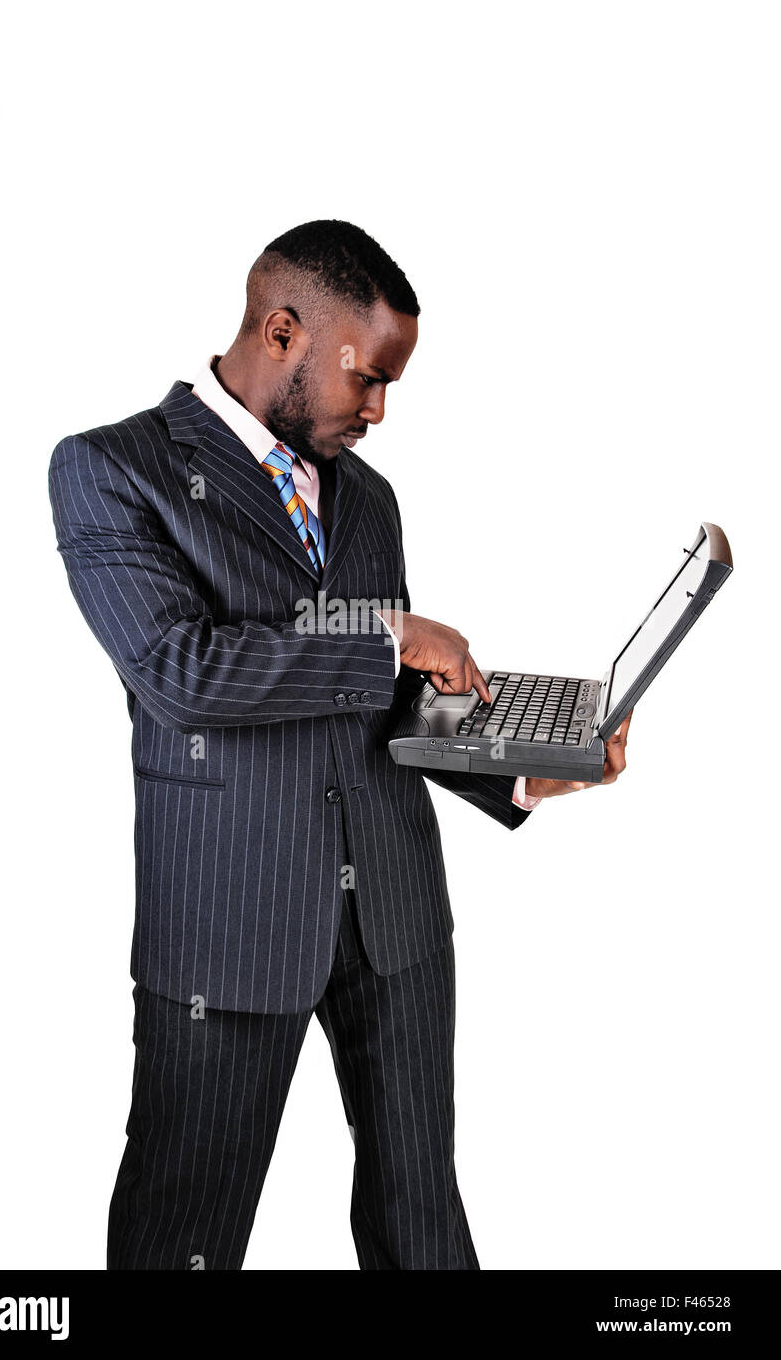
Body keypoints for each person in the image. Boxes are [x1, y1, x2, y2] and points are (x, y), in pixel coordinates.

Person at [48, 219, 631, 1271]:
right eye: (365, 380)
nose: (377, 412)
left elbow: (375, 707)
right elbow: (184, 670)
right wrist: (384, 632)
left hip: (393, 919)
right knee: (181, 1237)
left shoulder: (365, 497)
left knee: (421, 1226)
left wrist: (512, 774)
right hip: (227, 929)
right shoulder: (110, 469)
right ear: (281, 330)